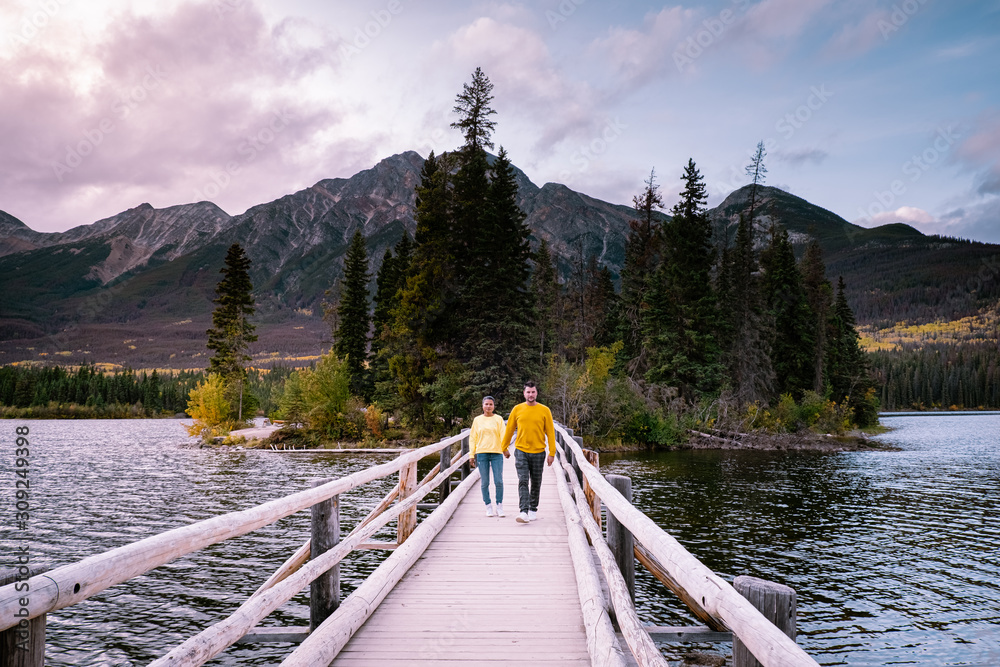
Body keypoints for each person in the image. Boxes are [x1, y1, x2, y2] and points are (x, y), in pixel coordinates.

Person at [500, 381, 555, 524]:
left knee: (536, 481)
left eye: (533, 392)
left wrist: (552, 453)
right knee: (523, 480)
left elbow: (550, 433)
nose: (530, 395)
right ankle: (523, 511)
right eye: (528, 392)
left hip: (539, 452)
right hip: (521, 451)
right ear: (524, 393)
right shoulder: (517, 409)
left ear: (536, 393)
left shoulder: (545, 410)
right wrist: (504, 447)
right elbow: (509, 430)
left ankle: (533, 509)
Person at [468, 396, 509, 517]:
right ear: (482, 406)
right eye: (486, 404)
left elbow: (503, 435)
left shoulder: (499, 419)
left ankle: (499, 506)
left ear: (494, 406)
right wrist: (471, 454)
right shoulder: (477, 420)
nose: (488, 406)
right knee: (485, 482)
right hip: (482, 453)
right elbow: (473, 438)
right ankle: (488, 506)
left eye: (491, 404)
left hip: (496, 453)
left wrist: (505, 449)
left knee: (498, 481)